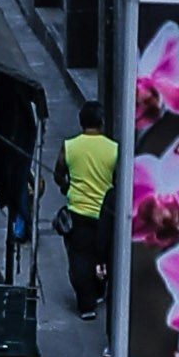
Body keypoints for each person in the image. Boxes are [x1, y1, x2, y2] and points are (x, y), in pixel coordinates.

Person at [55, 117, 121, 316]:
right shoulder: (114, 149)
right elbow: (120, 179)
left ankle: (86, 305)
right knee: (102, 256)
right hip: (106, 216)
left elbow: (58, 174)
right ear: (101, 123)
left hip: (79, 213)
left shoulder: (70, 147)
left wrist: (67, 187)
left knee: (80, 259)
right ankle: (100, 290)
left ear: (81, 122)